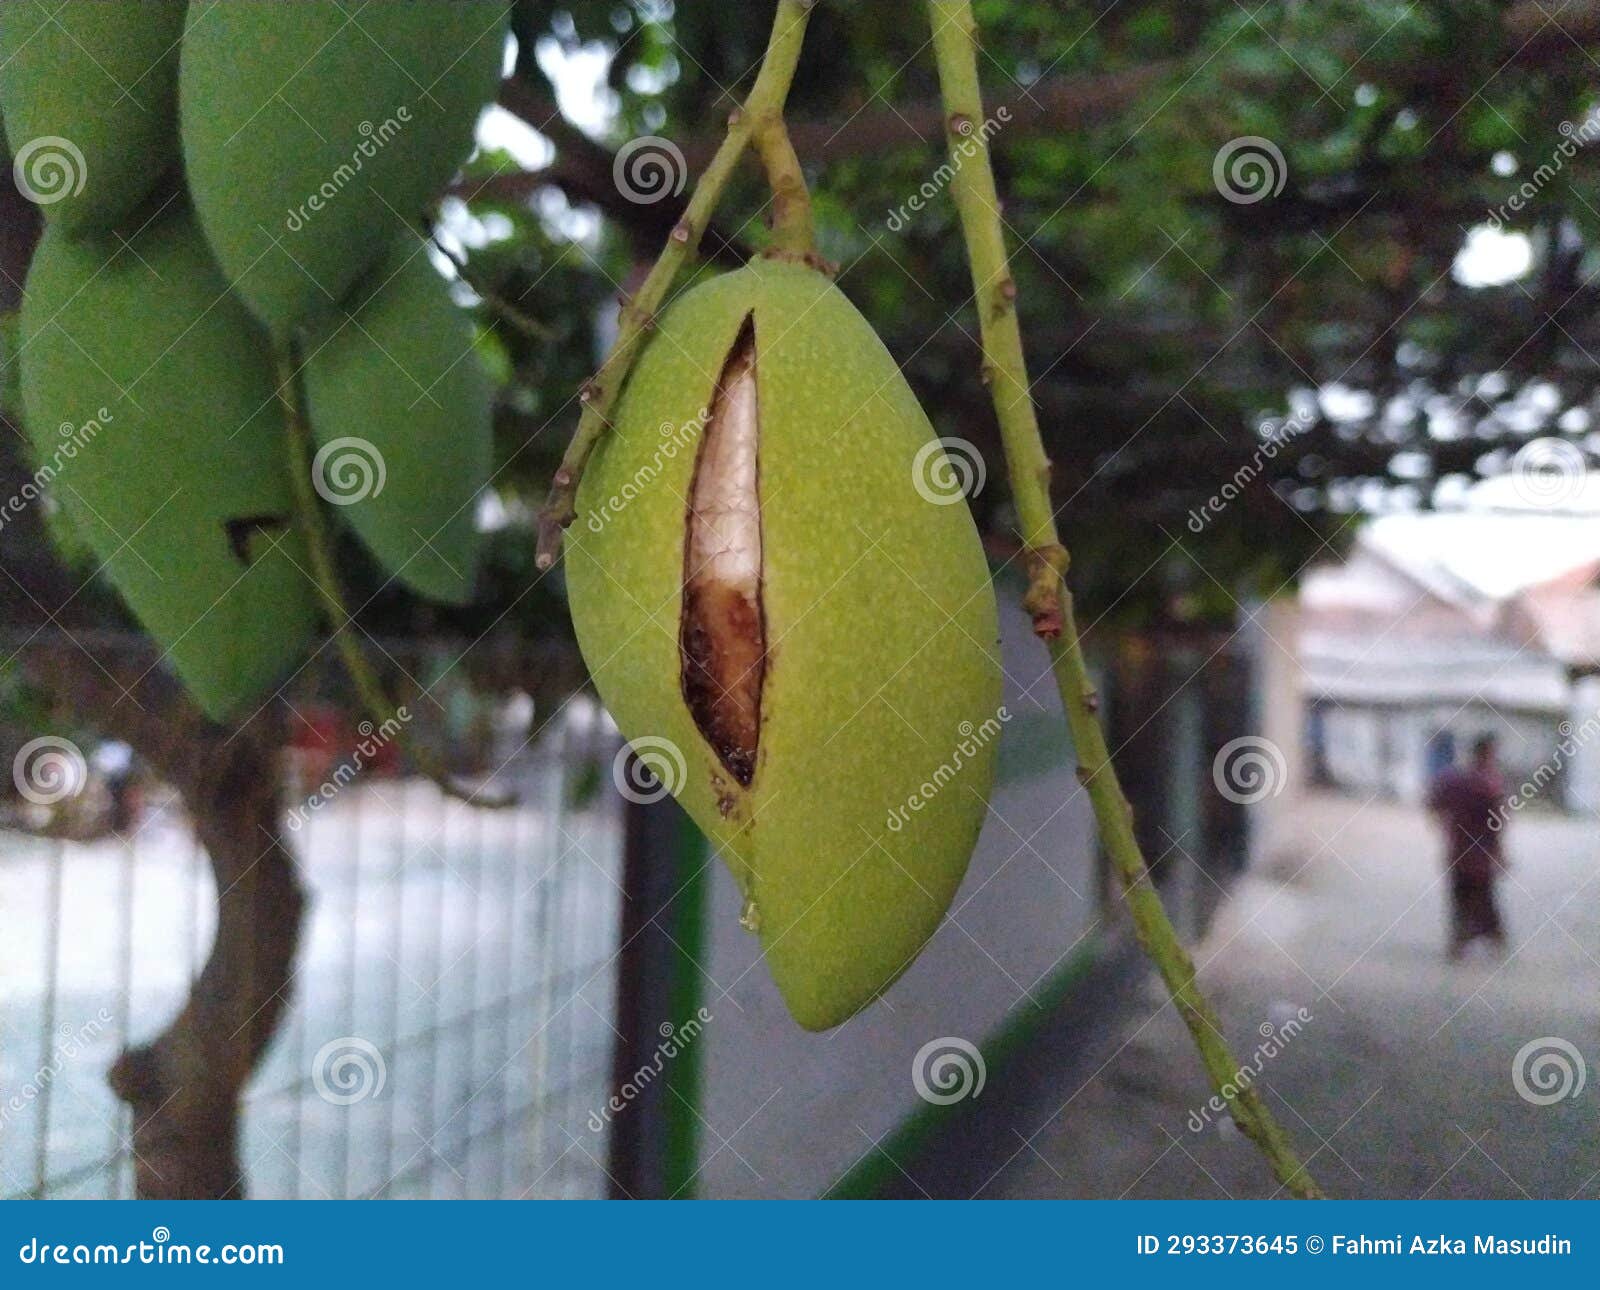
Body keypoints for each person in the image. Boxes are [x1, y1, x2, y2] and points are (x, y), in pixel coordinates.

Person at [1426, 734, 1509, 960]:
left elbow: (1434, 804)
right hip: (1481, 853)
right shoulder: (1490, 783)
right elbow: (1498, 823)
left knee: (1461, 897)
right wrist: (1500, 854)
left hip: (1459, 849)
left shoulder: (1454, 779)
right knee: (1483, 897)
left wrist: (1446, 827)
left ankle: (1461, 940)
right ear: (1488, 753)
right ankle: (1490, 937)